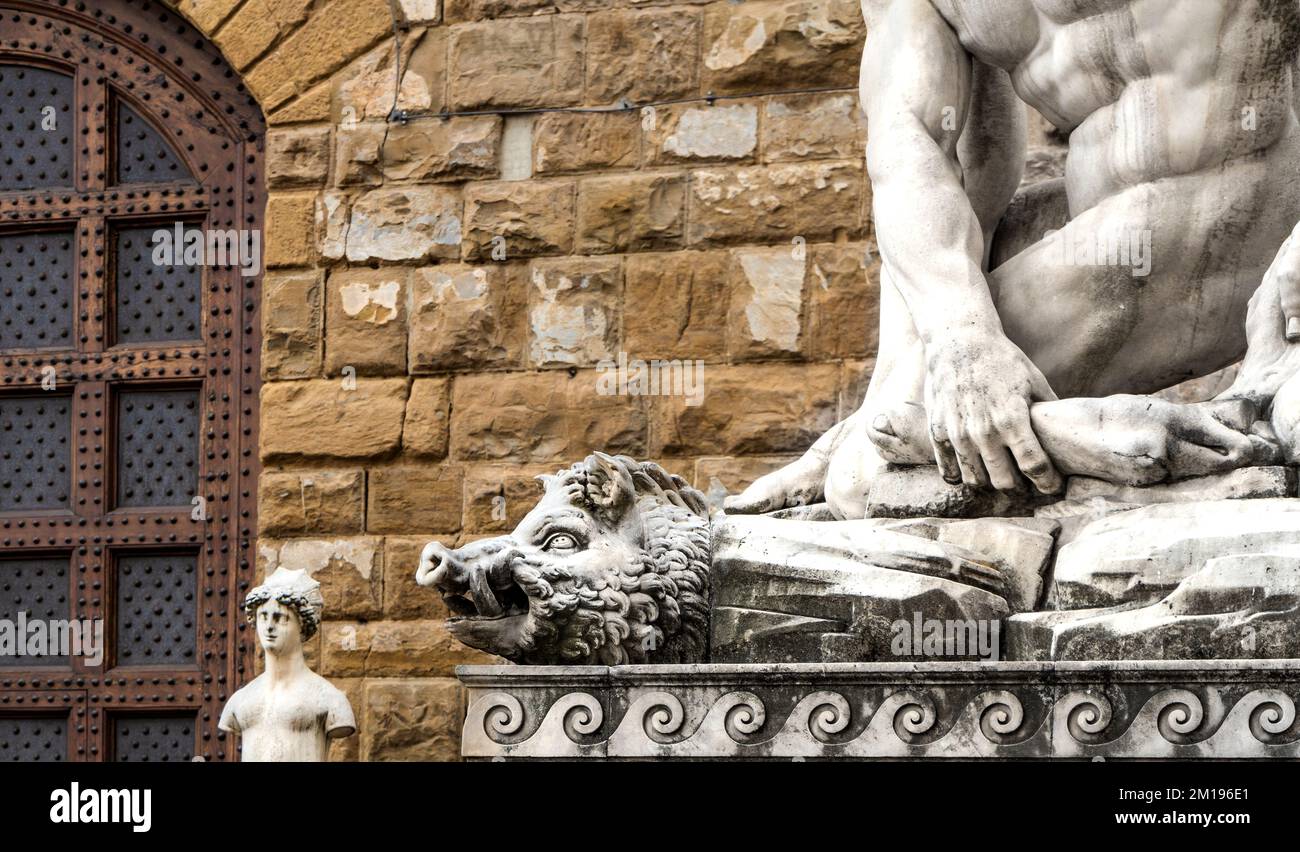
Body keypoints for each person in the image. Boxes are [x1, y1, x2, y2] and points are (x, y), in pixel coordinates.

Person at [728, 0, 1300, 518]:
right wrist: (956, 341)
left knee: (864, 480)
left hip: (1238, 205)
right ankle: (1120, 435)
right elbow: (918, 152)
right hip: (1102, 222)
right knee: (887, 431)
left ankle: (1126, 441)